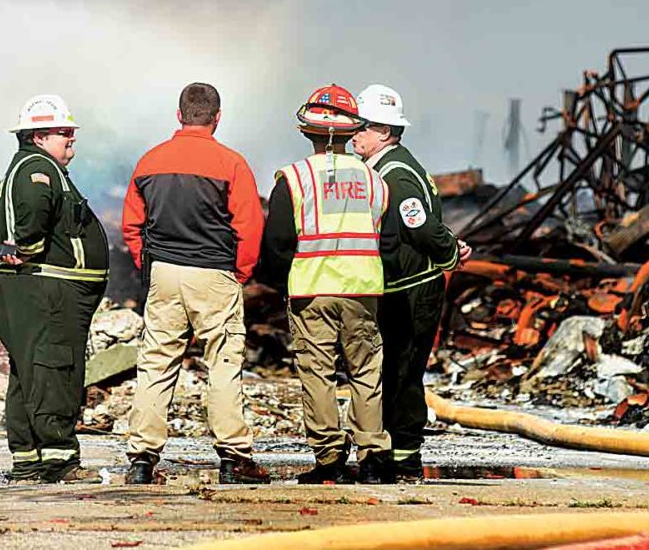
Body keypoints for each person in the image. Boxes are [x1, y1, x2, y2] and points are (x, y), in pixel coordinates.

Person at [121, 82, 269, 485]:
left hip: (164, 274)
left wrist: (148, 265)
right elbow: (249, 226)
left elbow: (132, 225)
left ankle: (141, 461)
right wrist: (239, 273)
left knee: (155, 364)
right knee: (222, 363)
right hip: (214, 274)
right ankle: (234, 460)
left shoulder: (149, 161)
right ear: (217, 118)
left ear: (179, 115)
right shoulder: (232, 163)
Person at [259, 84, 396, 484]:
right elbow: (387, 241)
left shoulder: (293, 179)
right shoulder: (375, 181)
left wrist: (288, 279)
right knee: (366, 372)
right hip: (362, 290)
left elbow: (277, 243)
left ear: (308, 132)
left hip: (311, 290)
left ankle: (330, 459)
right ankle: (373, 457)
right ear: (353, 131)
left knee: (317, 374)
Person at [351, 84, 472, 483]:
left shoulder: (395, 174)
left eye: (362, 127)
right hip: (404, 284)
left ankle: (403, 458)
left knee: (402, 371)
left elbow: (418, 226)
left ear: (384, 131)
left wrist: (450, 251)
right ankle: (392, 452)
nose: (355, 134)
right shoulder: (393, 165)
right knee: (394, 369)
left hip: (412, 287)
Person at [0, 94, 109, 484]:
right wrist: (24, 247)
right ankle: (60, 460)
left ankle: (28, 460)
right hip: (46, 291)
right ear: (39, 136)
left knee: (30, 373)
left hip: (39, 290)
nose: (71, 141)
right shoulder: (37, 170)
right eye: (65, 134)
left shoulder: (38, 165)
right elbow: (33, 213)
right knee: (53, 370)